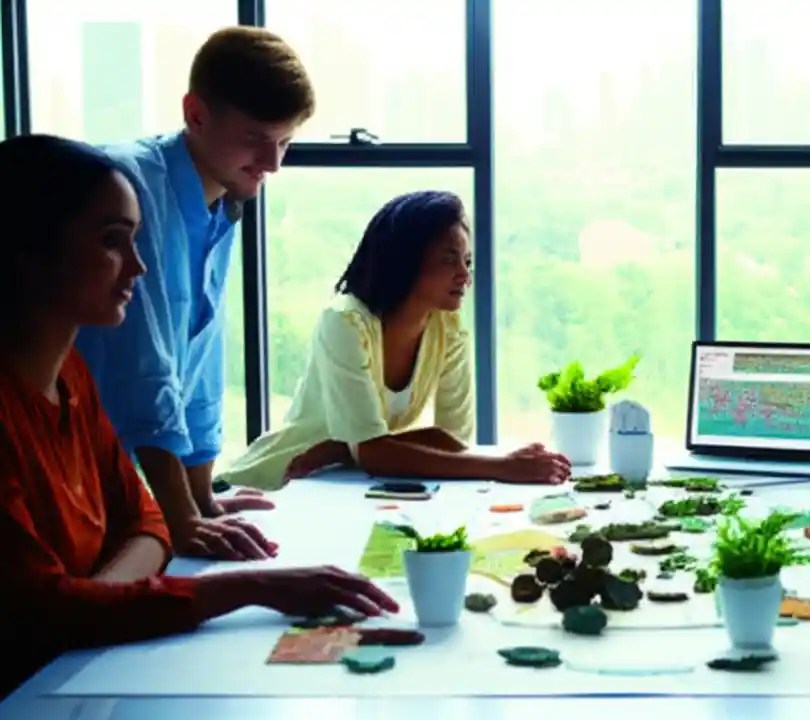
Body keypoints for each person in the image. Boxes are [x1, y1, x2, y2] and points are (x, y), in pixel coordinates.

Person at [0, 134, 398, 699]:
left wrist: (95, 601)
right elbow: (45, 612)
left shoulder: (72, 380)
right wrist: (251, 587)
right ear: (28, 253)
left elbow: (151, 523)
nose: (138, 266)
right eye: (114, 242)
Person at [74, 27, 315, 560]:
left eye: (286, 141)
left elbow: (200, 363)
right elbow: (146, 368)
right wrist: (182, 520)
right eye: (256, 137)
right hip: (68, 475)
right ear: (196, 114)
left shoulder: (222, 196)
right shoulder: (132, 185)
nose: (273, 163)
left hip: (123, 483)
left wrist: (203, 499)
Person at [218, 191, 572, 490]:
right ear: (405, 260)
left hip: (345, 485)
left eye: (467, 260)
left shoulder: (447, 328)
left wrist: (344, 450)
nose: (465, 275)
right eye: (449, 260)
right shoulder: (345, 321)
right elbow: (377, 454)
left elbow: (450, 441)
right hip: (276, 484)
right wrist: (503, 467)